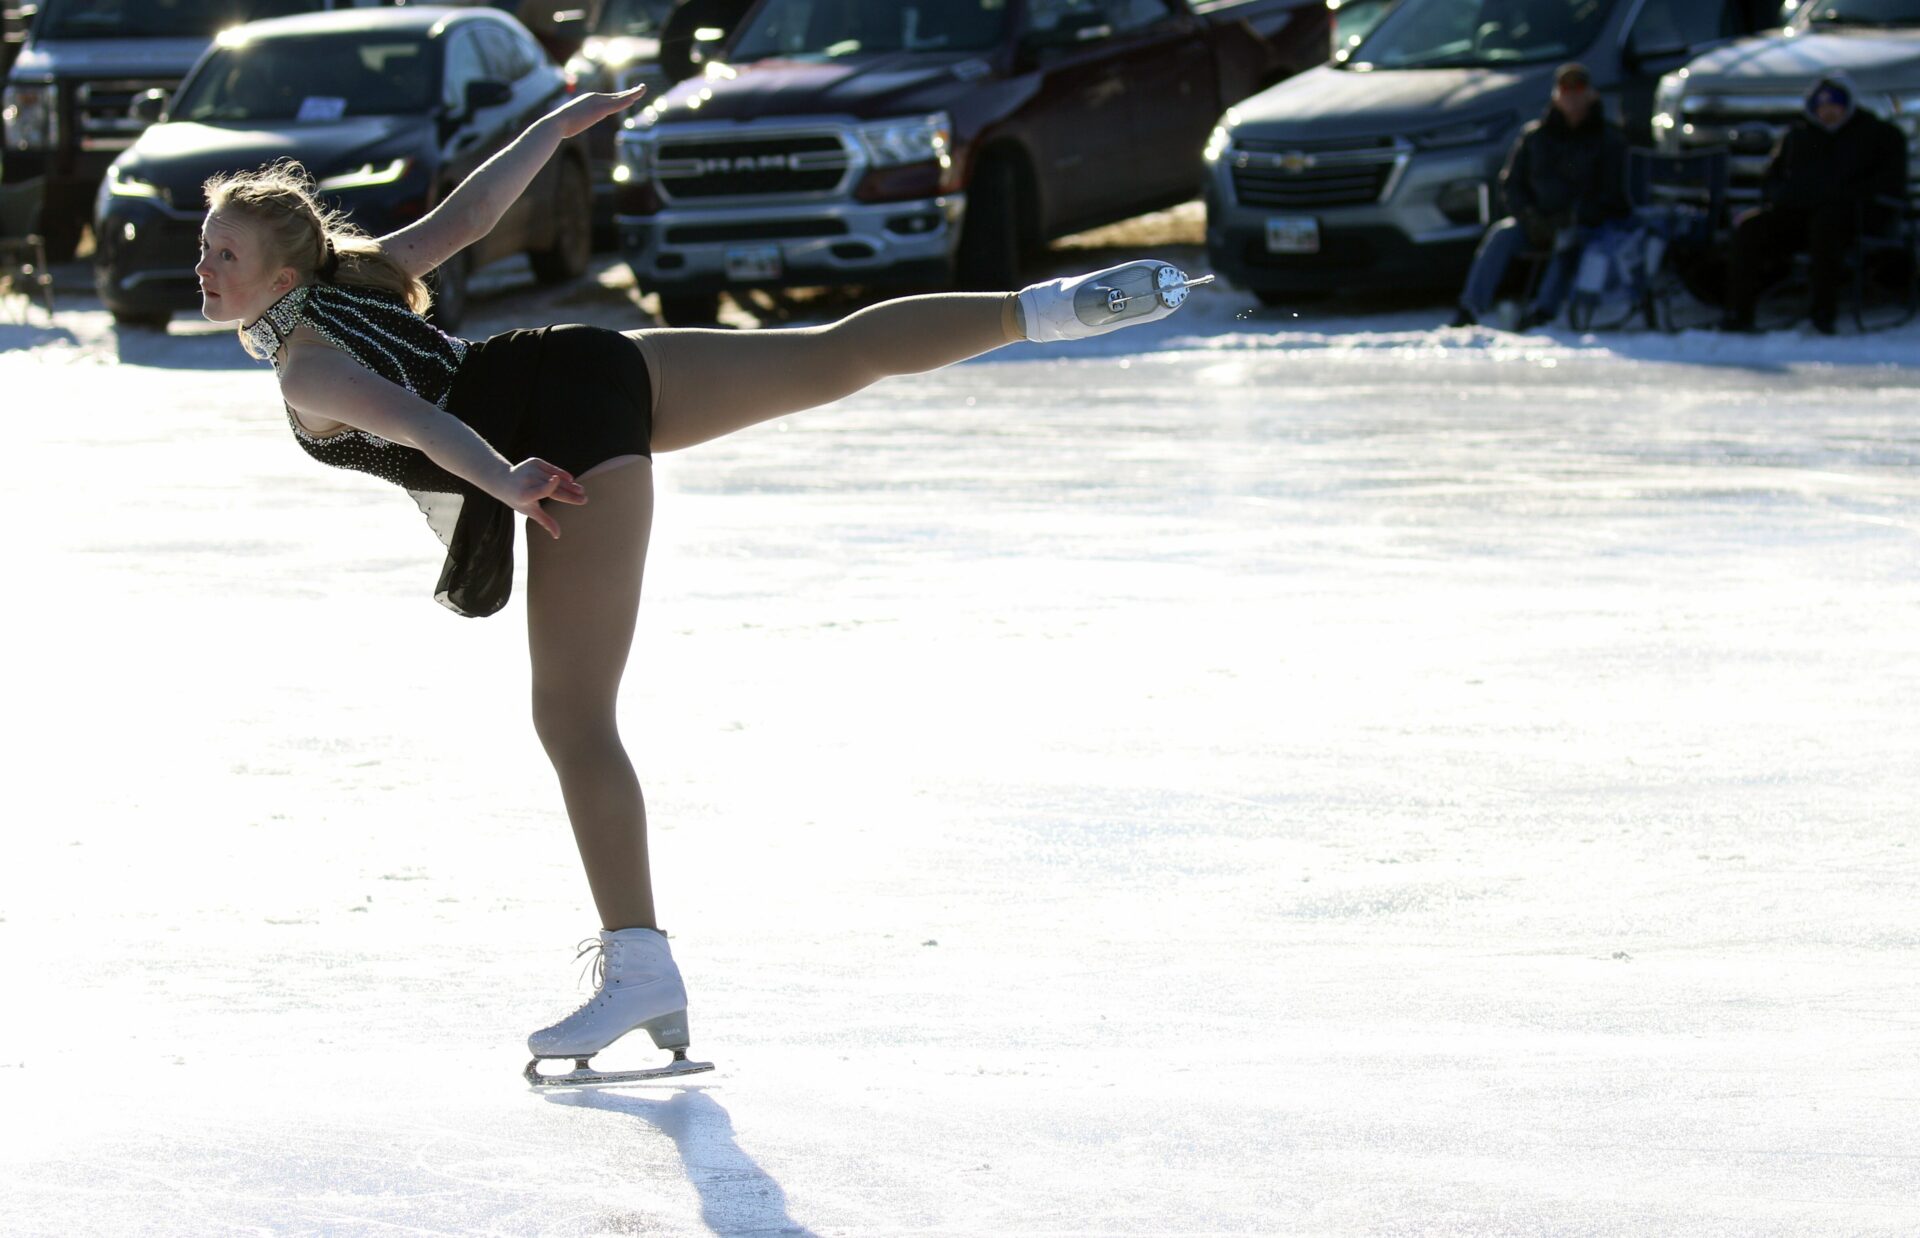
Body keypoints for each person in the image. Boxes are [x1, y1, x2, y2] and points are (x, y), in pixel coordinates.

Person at [195, 83, 1200, 1083]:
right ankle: (1051, 308)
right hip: (587, 362)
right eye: (205, 246)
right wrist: (550, 128)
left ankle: (639, 963)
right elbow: (468, 217)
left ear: (281, 269)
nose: (201, 266)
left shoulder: (303, 366)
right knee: (828, 353)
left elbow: (415, 420)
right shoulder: (357, 277)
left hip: (553, 441)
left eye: (222, 255)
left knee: (573, 718)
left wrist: (505, 477)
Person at [1721, 73, 1907, 335]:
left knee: (1826, 223)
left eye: (1835, 106)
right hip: (1798, 214)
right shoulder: (1798, 136)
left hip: (1853, 219)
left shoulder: (1877, 135)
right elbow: (1772, 180)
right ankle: (1737, 313)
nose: (1828, 113)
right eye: (1822, 107)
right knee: (1751, 227)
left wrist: (1840, 196)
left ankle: (1822, 314)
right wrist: (1781, 197)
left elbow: (1886, 185)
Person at [1452, 63, 1630, 331]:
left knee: (1567, 240)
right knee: (1502, 235)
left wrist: (1573, 217)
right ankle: (1470, 308)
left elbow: (1612, 194)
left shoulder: (1607, 139)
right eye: (1565, 89)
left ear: (1591, 94)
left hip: (1583, 226)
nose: (1571, 96)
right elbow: (1510, 185)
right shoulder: (1535, 136)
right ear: (1555, 95)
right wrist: (1528, 216)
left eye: (1578, 88)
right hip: (1535, 222)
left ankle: (1543, 311)